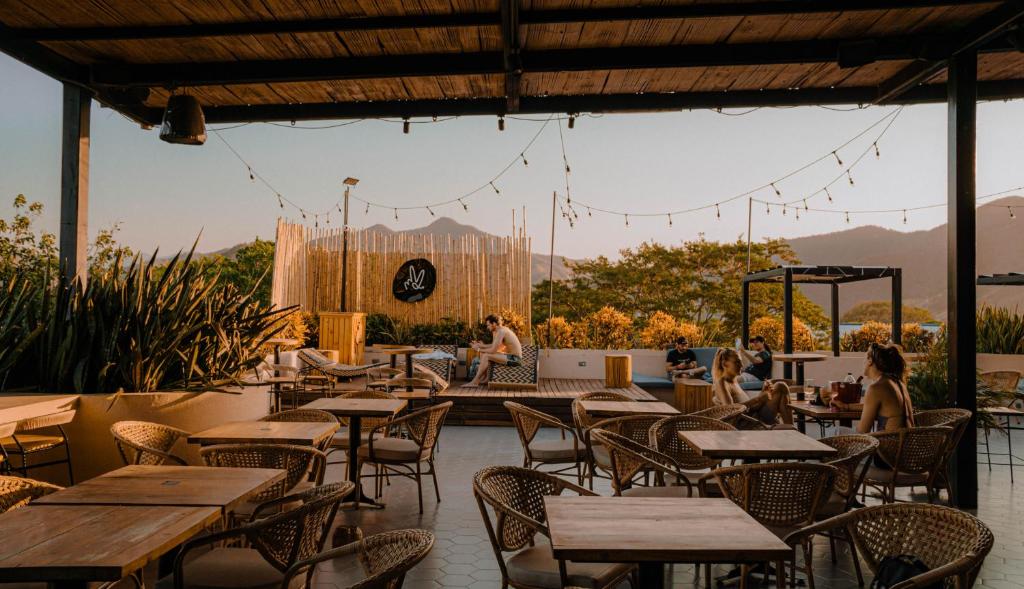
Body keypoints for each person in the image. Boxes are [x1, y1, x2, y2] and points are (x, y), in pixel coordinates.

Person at [830, 342, 915, 433]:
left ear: (870, 360)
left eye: (865, 359)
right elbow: (871, 407)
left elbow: (862, 432)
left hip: (889, 446)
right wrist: (846, 406)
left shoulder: (876, 388)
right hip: (906, 444)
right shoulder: (897, 382)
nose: (863, 363)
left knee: (836, 432)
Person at [711, 348, 792, 425]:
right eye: (737, 362)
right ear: (725, 364)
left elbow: (751, 407)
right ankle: (790, 429)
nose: (742, 365)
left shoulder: (734, 382)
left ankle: (790, 428)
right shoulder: (722, 383)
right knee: (781, 386)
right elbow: (730, 410)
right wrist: (759, 398)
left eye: (741, 362)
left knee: (780, 387)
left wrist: (763, 392)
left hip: (755, 416)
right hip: (749, 423)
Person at [465, 314, 523, 387]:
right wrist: (480, 345)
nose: (487, 327)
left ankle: (475, 381)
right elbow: (494, 345)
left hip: (515, 359)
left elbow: (493, 350)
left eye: (488, 325)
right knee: (484, 354)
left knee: (486, 355)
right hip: (508, 356)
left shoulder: (501, 331)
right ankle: (486, 379)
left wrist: (479, 349)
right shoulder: (496, 331)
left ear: (494, 324)